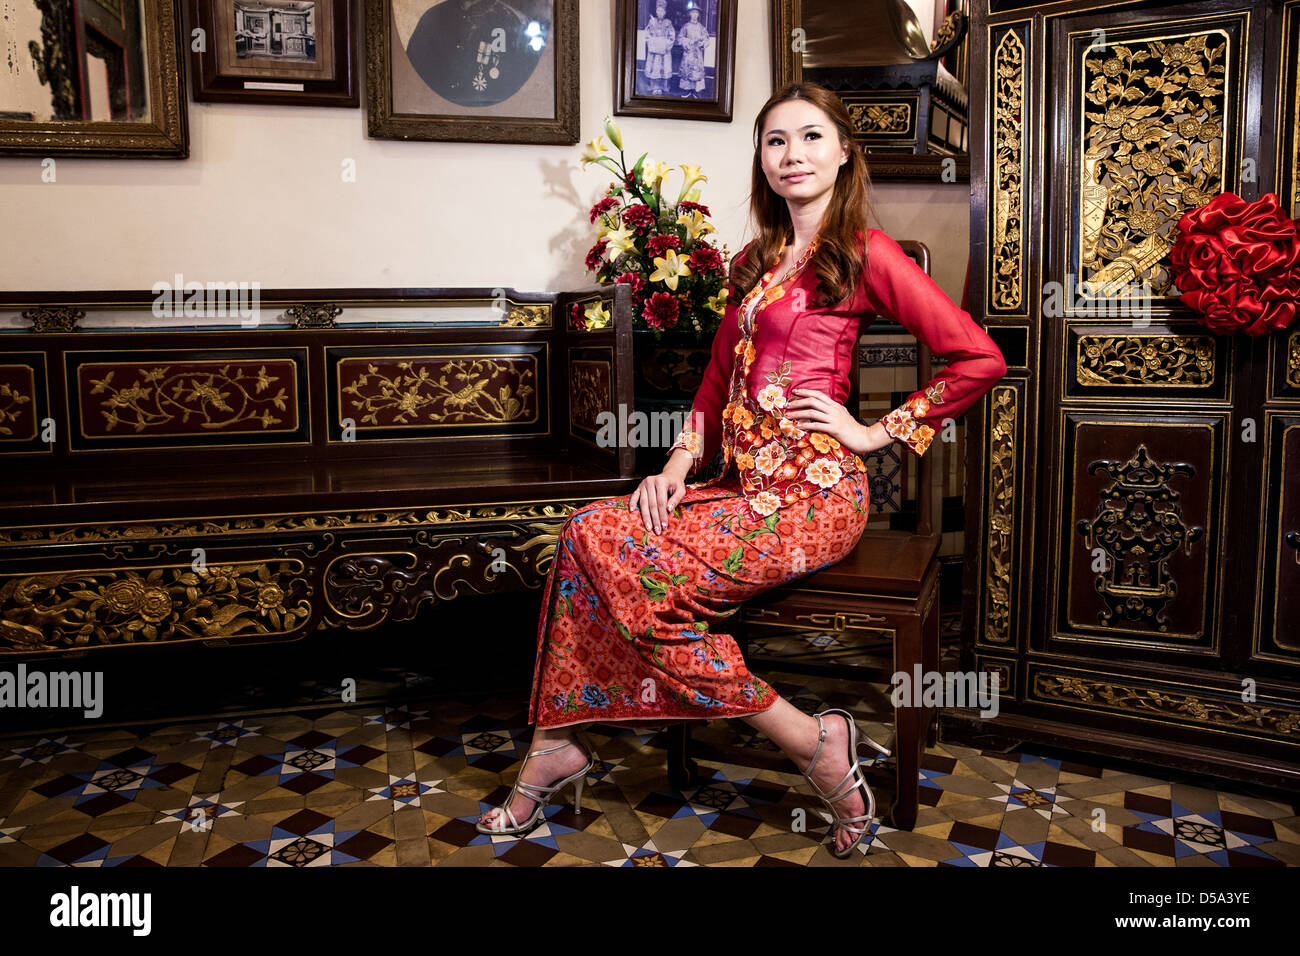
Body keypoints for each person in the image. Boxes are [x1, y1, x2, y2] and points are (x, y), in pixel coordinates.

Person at [477, 82, 1008, 857]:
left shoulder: (866, 252)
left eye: (811, 137)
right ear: (761, 160)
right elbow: (718, 380)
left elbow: (979, 358)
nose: (793, 155)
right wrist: (676, 465)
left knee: (631, 572)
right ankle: (561, 738)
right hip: (735, 487)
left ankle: (804, 738)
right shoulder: (755, 261)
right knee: (587, 532)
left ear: (844, 151)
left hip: (813, 495)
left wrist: (874, 433)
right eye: (776, 141)